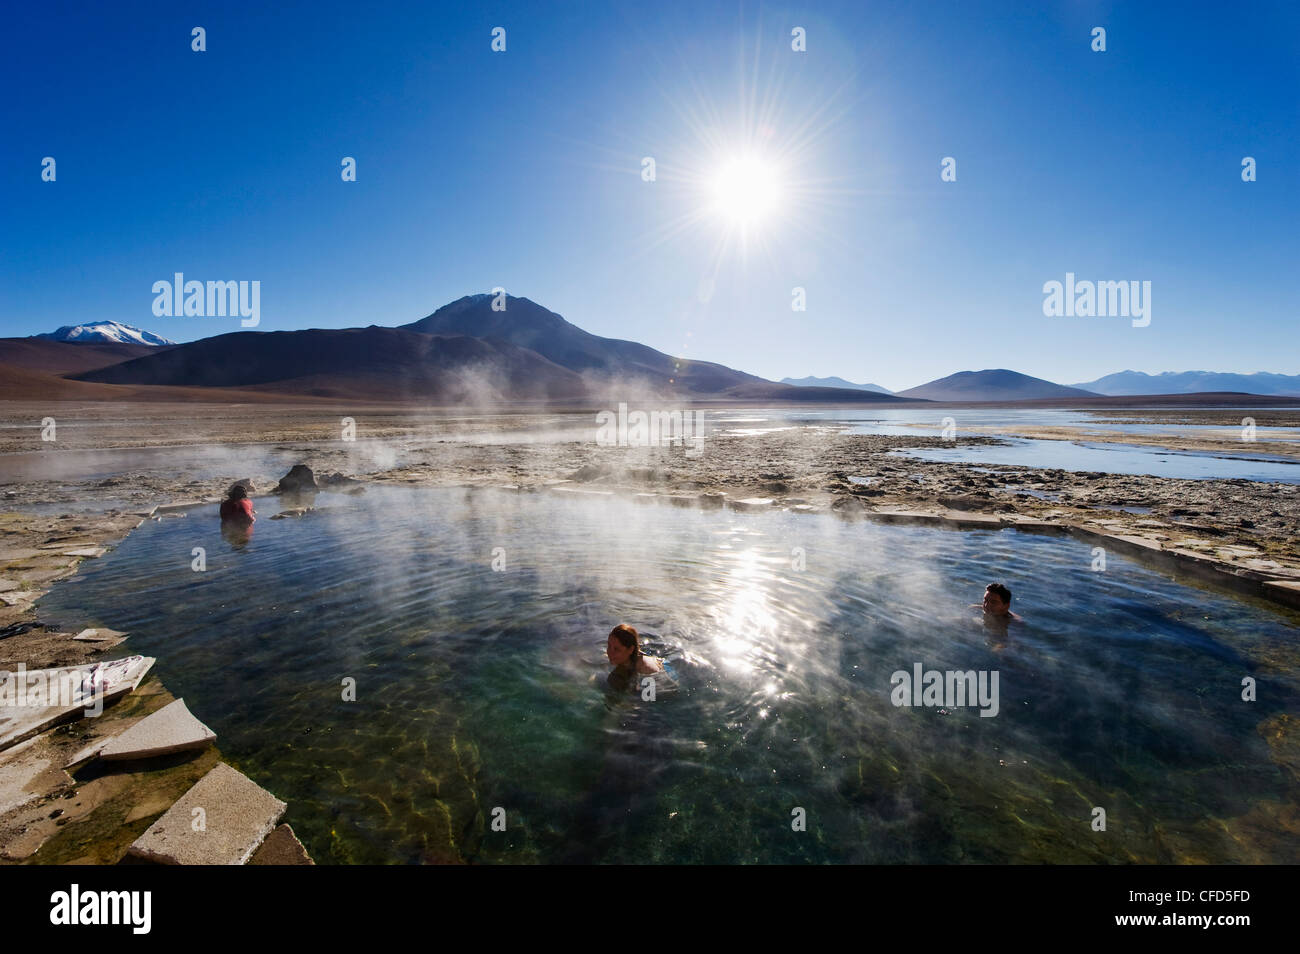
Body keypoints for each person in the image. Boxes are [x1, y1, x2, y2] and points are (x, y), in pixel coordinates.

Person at [605, 623, 663, 690]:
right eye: (609, 646)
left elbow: (668, 691)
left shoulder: (646, 669)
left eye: (617, 649)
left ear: (630, 649)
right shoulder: (623, 659)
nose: (609, 652)